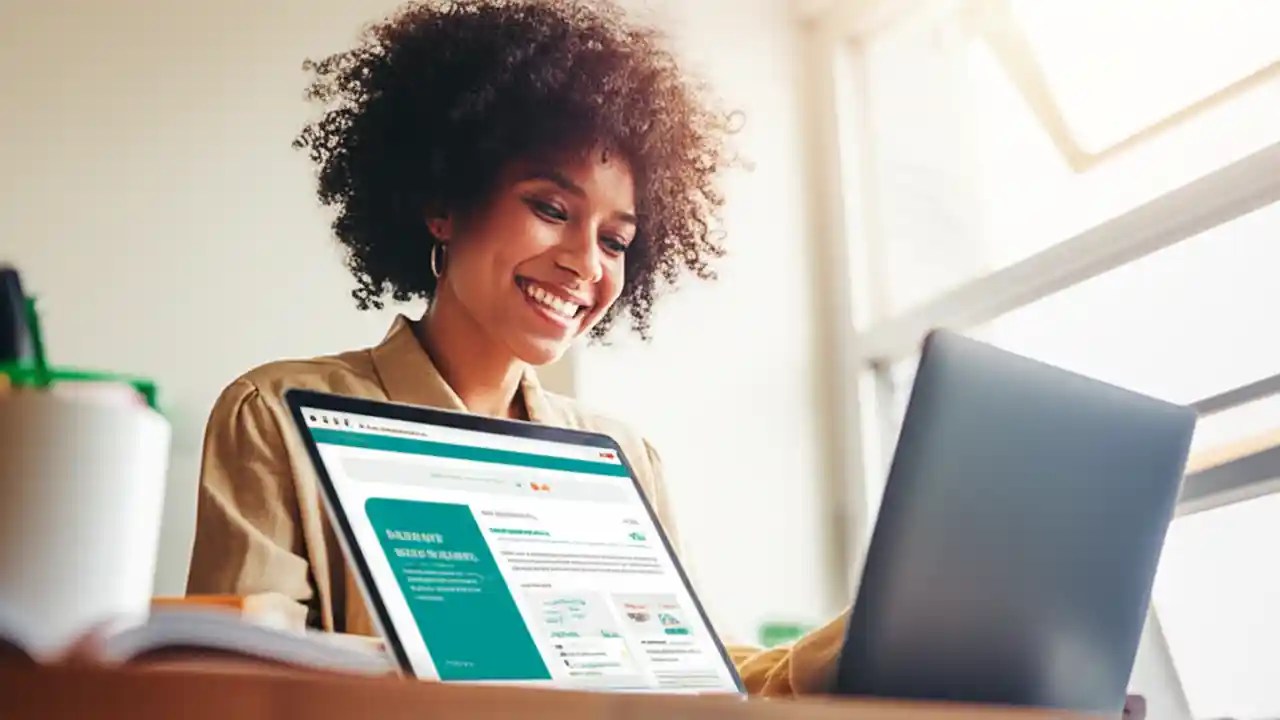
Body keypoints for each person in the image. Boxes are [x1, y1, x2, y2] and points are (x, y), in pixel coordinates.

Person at [186, 0, 846, 695]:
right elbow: (235, 690)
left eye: (615, 240)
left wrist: (868, 636)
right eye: (552, 210)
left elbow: (693, 678)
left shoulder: (622, 454)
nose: (586, 264)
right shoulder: (276, 414)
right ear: (444, 202)